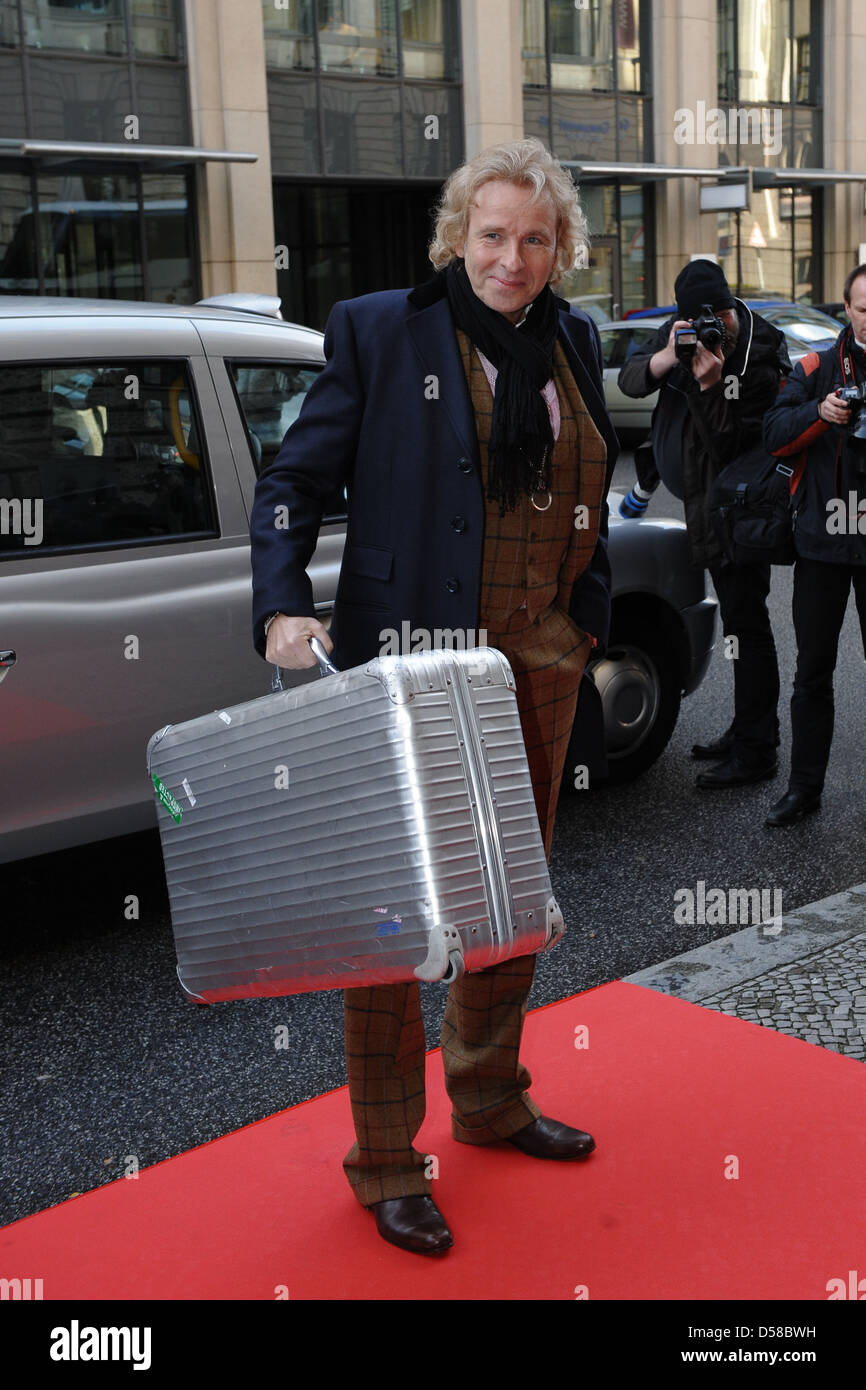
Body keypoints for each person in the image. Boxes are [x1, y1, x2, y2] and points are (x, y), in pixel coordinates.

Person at [249, 138, 618, 1254]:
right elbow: (292, 480)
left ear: (561, 248)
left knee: (507, 904)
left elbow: (587, 483)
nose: (512, 256)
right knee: (395, 924)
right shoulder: (377, 328)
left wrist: (585, 608)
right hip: (409, 665)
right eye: (493, 233)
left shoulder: (575, 340)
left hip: (535, 664)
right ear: (458, 234)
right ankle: (383, 1159)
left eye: (535, 237)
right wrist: (280, 603)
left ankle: (492, 1099)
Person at [617, 261, 791, 788]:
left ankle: (757, 750)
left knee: (748, 626)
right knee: (741, 625)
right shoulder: (678, 336)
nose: (714, 324)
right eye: (699, 318)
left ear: (731, 304)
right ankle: (744, 729)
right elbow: (630, 380)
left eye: (718, 313)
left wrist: (713, 385)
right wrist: (669, 355)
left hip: (742, 510)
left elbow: (738, 446)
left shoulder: (760, 350)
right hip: (701, 507)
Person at [762, 264, 866, 826]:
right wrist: (820, 413)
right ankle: (804, 789)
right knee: (812, 672)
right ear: (846, 309)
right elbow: (773, 435)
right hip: (823, 540)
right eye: (864, 307)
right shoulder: (815, 365)